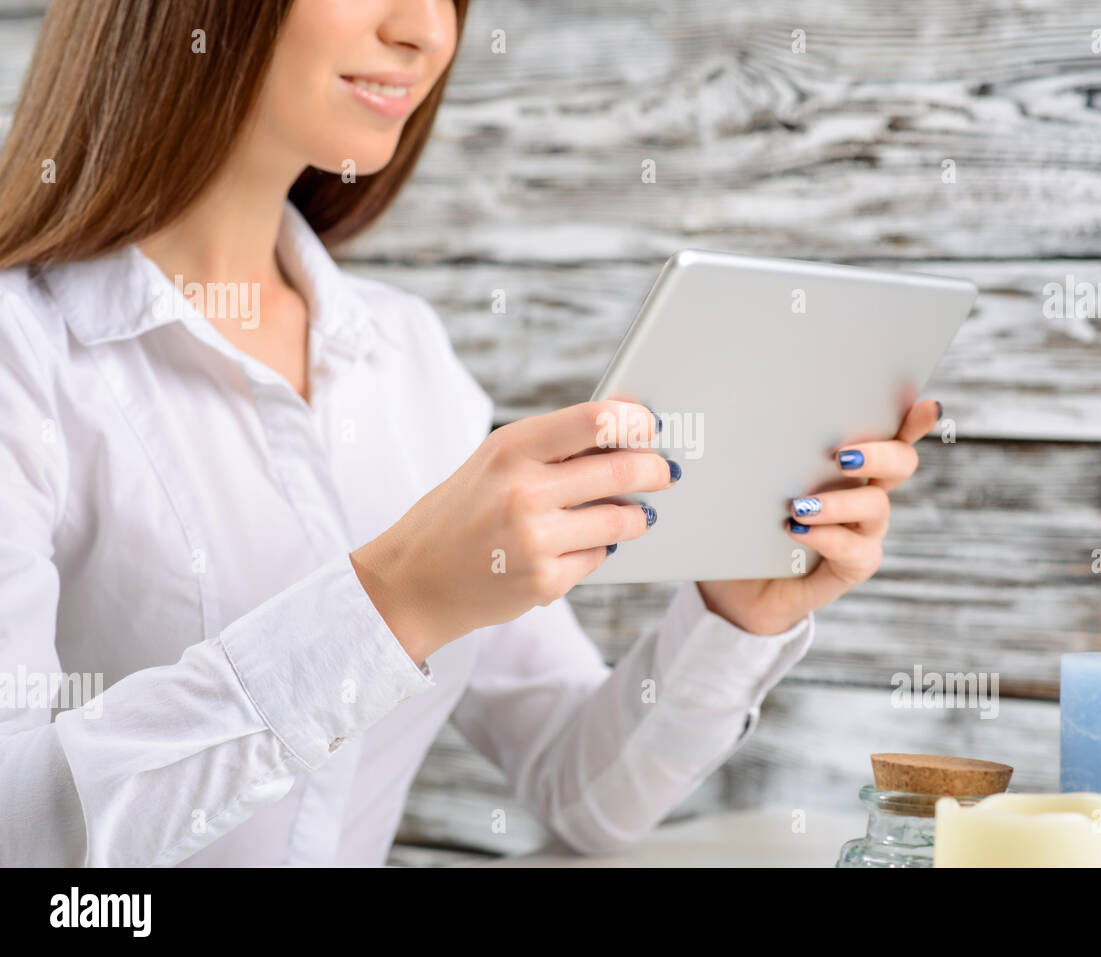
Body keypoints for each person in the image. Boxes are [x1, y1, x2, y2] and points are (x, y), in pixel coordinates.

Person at [0, 0, 941, 865]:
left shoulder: (407, 359)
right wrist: (396, 599)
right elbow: (18, 827)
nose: (427, 32)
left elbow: (584, 790)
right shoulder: (23, 352)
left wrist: (739, 613)